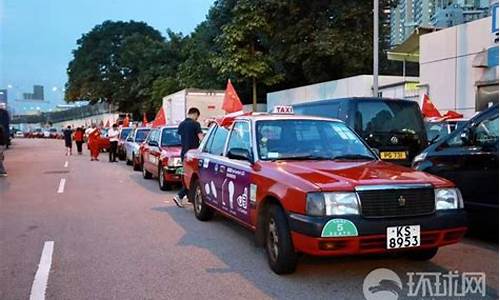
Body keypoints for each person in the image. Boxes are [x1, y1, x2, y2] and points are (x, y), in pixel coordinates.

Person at [173, 107, 204, 207]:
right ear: (195, 114)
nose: (197, 118)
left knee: (186, 176)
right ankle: (180, 195)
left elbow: (180, 137)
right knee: (193, 178)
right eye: (197, 117)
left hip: (184, 154)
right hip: (193, 154)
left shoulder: (181, 124)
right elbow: (201, 138)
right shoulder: (196, 124)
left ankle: (188, 197)